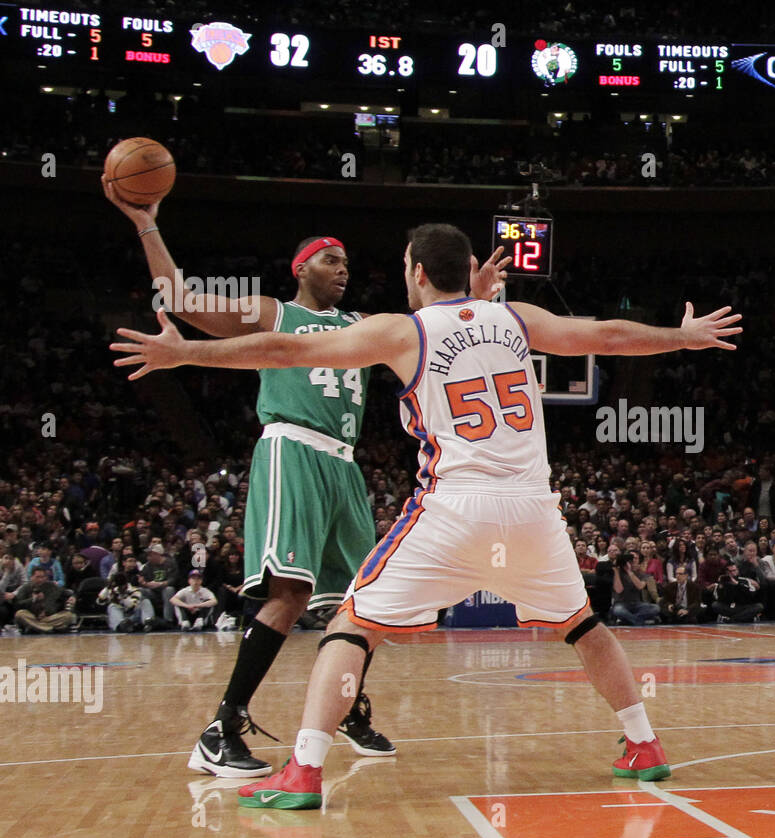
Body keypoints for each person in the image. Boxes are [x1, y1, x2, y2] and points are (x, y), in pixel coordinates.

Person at [113, 221, 741, 808]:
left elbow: (283, 352)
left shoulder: (401, 331)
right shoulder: (517, 318)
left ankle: (303, 769)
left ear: (415, 272)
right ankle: (643, 742)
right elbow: (606, 334)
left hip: (456, 509)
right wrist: (681, 337)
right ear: (469, 270)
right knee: (582, 625)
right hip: (534, 510)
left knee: (352, 624)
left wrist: (185, 354)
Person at [103, 180, 508, 776]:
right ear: (301, 268)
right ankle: (222, 727)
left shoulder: (365, 323)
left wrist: (468, 293)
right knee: (288, 596)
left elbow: (437, 318)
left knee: (364, 603)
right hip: (293, 449)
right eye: (329, 259)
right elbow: (179, 296)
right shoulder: (276, 313)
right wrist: (145, 222)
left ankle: (343, 706)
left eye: (346, 261)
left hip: (343, 465)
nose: (343, 268)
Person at [13, 565, 76, 634]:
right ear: (31, 577)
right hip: (32, 617)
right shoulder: (25, 588)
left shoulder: (51, 586)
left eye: (42, 577)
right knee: (20, 614)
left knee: (68, 616)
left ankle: (37, 628)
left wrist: (73, 597)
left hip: (49, 617)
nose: (40, 580)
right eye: (37, 577)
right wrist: (33, 599)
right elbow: (18, 604)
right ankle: (48, 628)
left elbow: (66, 592)